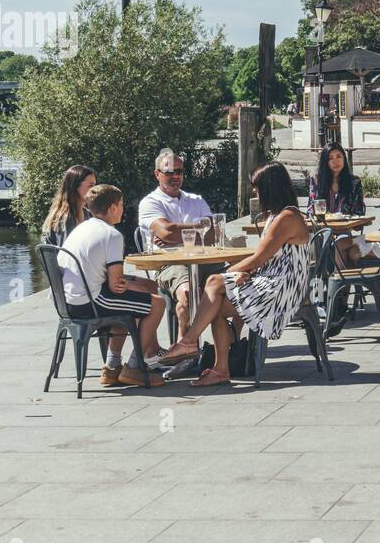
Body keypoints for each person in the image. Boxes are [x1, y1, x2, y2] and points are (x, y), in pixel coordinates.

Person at [158, 163, 311, 388]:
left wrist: (232, 272)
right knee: (215, 308)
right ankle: (220, 369)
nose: (254, 192)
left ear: (270, 188)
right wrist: (244, 273)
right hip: (271, 280)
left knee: (214, 281)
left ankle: (189, 341)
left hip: (282, 290)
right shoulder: (276, 215)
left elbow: (259, 258)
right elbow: (266, 258)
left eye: (257, 187)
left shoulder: (287, 217)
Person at [57, 184, 166, 388]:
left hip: (70, 301)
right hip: (92, 301)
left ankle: (112, 367)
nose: (123, 209)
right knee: (157, 303)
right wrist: (130, 285)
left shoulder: (81, 228)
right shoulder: (112, 235)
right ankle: (134, 367)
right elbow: (116, 285)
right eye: (122, 205)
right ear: (113, 207)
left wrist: (134, 285)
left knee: (140, 292)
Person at [138, 149, 218, 327]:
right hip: (169, 263)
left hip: (205, 259)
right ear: (157, 174)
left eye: (179, 171)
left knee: (237, 284)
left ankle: (230, 342)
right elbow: (167, 231)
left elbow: (213, 234)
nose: (175, 176)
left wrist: (176, 235)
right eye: (169, 172)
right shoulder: (151, 202)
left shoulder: (196, 199)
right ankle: (186, 343)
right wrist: (198, 230)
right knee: (189, 294)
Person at [309, 143, 380, 267]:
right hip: (321, 231)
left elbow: (359, 211)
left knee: (340, 245)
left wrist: (348, 218)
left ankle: (339, 282)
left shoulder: (353, 182)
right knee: (325, 244)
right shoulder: (317, 181)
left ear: (344, 159)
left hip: (344, 231)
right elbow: (311, 208)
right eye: (331, 158)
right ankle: (340, 282)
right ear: (325, 162)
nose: (335, 161)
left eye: (339, 156)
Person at [41, 164, 96, 246]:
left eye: (95, 185)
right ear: (75, 186)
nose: (94, 190)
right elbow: (67, 253)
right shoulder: (66, 217)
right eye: (90, 185)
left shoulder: (87, 214)